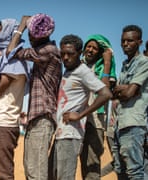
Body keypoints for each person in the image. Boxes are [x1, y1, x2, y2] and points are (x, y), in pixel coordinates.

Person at [6, 13, 62, 179]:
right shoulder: (44, 52)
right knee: (31, 170)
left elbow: (11, 51)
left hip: (43, 118)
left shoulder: (48, 51)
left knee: (36, 172)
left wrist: (20, 28)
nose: (29, 37)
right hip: (36, 119)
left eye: (30, 34)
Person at [55, 34, 112, 180]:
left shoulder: (83, 71)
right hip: (62, 133)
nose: (66, 57)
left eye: (70, 54)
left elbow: (106, 94)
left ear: (79, 54)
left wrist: (80, 115)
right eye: (63, 54)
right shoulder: (68, 71)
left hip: (71, 133)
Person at [0, 18, 30, 180]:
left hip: (4, 122)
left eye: (0, 32)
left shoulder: (13, 62)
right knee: (3, 170)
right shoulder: (6, 61)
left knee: (5, 173)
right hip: (1, 122)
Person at [112, 24, 148, 179]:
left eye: (130, 41)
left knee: (134, 171)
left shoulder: (144, 62)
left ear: (139, 42)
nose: (125, 44)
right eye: (123, 41)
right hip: (120, 123)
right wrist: (122, 89)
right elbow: (115, 94)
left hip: (133, 123)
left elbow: (129, 93)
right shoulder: (125, 65)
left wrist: (124, 90)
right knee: (121, 170)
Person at [80, 34, 117, 179]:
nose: (90, 50)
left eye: (95, 48)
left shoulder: (104, 68)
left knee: (92, 163)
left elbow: (105, 90)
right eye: (88, 46)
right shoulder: (78, 66)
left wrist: (107, 63)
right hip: (77, 120)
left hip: (95, 121)